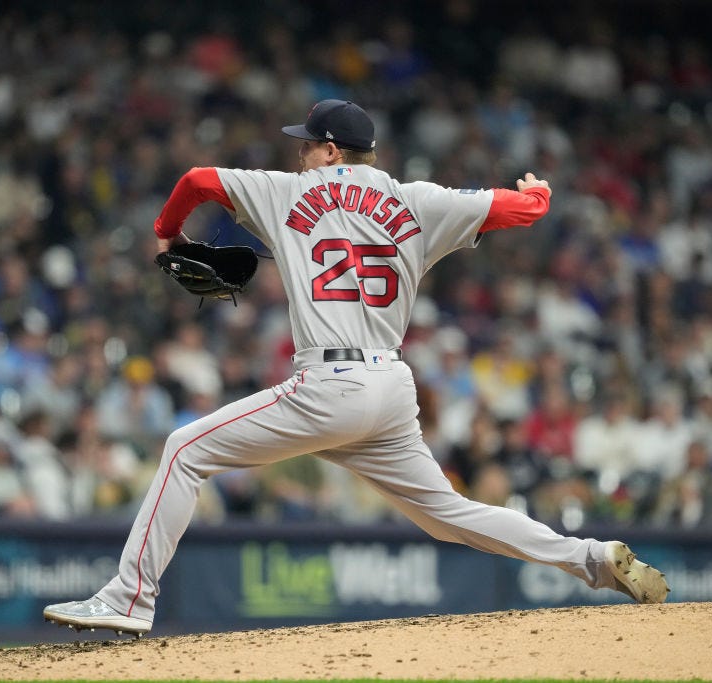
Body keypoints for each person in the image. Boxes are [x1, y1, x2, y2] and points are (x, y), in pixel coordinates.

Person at [44, 99, 669, 636]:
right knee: (451, 513)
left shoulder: (287, 191)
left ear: (331, 150)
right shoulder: (418, 200)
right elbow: (522, 211)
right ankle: (591, 558)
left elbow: (197, 179)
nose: (299, 155)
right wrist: (538, 191)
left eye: (307, 144)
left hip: (329, 385)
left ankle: (128, 598)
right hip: (392, 389)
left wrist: (167, 233)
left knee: (184, 449)